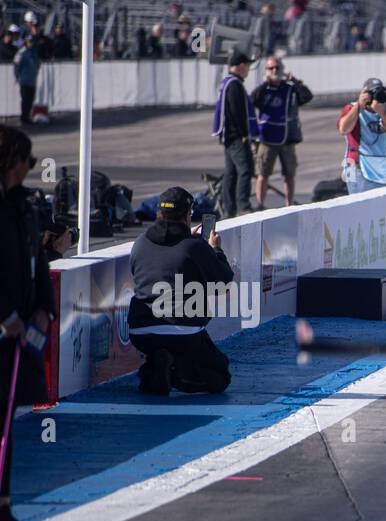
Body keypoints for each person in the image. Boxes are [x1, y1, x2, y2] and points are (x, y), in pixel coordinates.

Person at [0, 124, 54, 521]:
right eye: (27, 160)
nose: (31, 168)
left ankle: (3, 510)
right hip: (4, 326)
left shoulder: (25, 207)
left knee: (5, 423)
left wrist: (43, 309)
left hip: (19, 335)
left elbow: (40, 262)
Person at [127, 186, 233, 396]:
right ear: (187, 215)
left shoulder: (140, 243)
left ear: (159, 213)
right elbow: (223, 282)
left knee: (163, 348)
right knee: (219, 377)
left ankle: (156, 368)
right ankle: (176, 374)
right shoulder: (194, 246)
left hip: (140, 332)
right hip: (183, 331)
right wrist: (215, 250)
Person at [251, 55, 313, 208]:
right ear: (266, 71)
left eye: (277, 67)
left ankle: (289, 204)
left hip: (287, 137)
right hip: (267, 137)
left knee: (289, 174)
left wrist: (296, 82)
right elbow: (250, 103)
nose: (274, 70)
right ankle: (260, 204)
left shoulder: (290, 88)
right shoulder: (263, 90)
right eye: (271, 68)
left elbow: (307, 97)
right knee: (263, 173)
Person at [337, 77, 386, 194]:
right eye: (373, 93)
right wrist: (358, 105)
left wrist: (382, 112)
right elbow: (343, 129)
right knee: (358, 207)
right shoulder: (351, 108)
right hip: (355, 167)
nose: (376, 97)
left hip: (381, 168)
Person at [213, 49, 254, 218]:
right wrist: (244, 134)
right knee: (245, 169)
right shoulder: (234, 85)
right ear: (241, 66)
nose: (248, 70)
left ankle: (228, 208)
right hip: (235, 135)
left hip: (228, 135)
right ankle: (242, 205)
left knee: (231, 171)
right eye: (247, 66)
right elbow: (237, 112)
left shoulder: (227, 82)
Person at [13, 35, 38, 125]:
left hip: (32, 81)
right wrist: (17, 77)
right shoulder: (22, 52)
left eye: (32, 42)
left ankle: (27, 116)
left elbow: (37, 64)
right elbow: (16, 65)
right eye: (29, 42)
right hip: (24, 81)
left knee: (30, 99)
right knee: (25, 100)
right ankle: (24, 117)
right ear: (26, 42)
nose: (31, 43)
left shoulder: (34, 53)